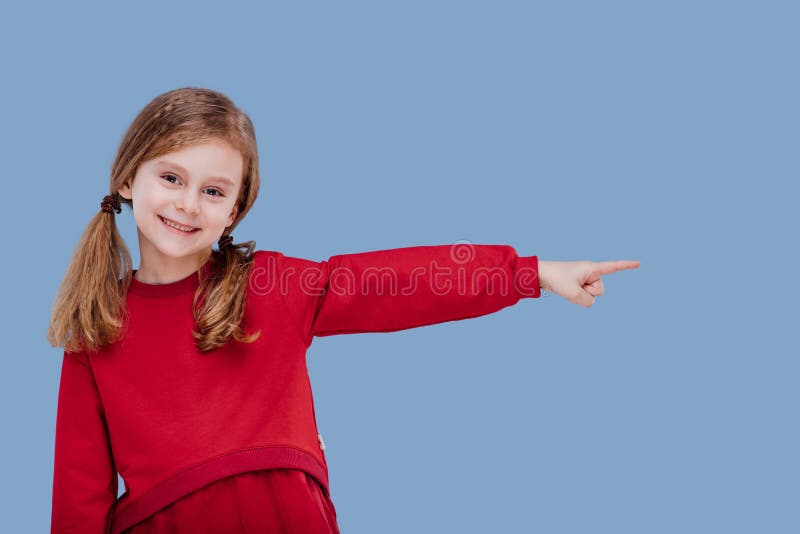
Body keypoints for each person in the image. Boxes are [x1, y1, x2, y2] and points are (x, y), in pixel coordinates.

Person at [47, 86, 640, 534]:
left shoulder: (274, 284)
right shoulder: (95, 327)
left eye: (213, 190)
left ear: (235, 210)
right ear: (128, 179)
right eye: (171, 177)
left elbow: (402, 282)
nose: (187, 204)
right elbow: (78, 494)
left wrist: (531, 273)